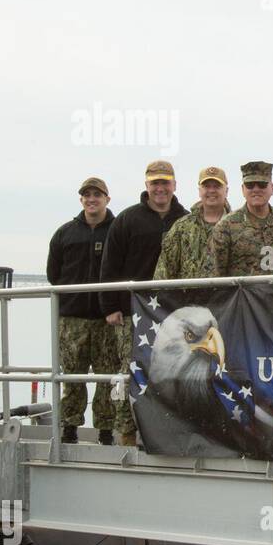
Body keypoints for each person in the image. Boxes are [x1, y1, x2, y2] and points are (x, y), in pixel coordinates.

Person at [99, 160, 189, 446]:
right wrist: (110, 306)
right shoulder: (127, 219)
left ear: (174, 185)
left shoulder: (185, 220)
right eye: (155, 183)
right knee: (131, 372)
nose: (160, 188)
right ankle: (127, 434)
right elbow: (109, 265)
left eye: (165, 182)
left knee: (171, 374)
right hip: (132, 313)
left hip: (173, 316)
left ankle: (167, 433)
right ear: (146, 186)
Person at [46, 176, 119, 445]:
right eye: (87, 195)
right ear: (81, 200)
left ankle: (106, 431)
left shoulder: (117, 229)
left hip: (106, 319)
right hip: (72, 318)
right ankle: (69, 428)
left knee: (107, 377)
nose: (92, 199)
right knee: (71, 377)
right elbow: (53, 273)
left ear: (107, 199)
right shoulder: (66, 232)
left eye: (97, 195)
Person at [206, 161, 273, 277]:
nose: (256, 189)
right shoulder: (226, 226)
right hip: (242, 294)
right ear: (243, 189)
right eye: (250, 185)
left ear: (272, 188)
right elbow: (217, 274)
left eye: (262, 184)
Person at [154, 166, 230, 280]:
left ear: (226, 191)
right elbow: (164, 269)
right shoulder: (181, 227)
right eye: (206, 186)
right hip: (187, 297)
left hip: (227, 297)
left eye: (217, 186)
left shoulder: (236, 227)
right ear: (199, 191)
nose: (211, 191)